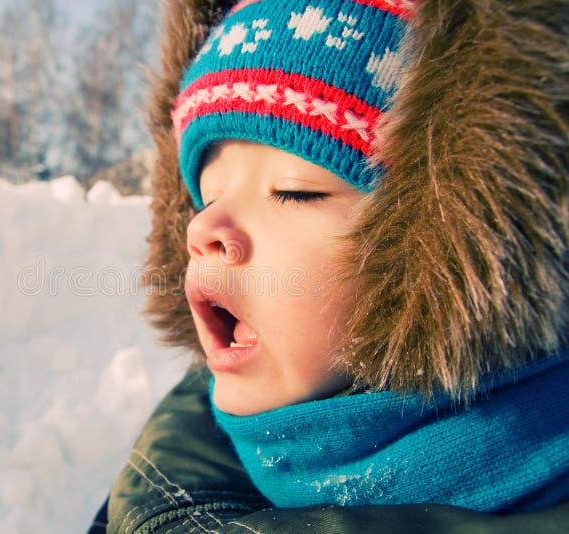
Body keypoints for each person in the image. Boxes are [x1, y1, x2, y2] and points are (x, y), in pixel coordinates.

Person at [94, 0, 569, 531]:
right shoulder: (157, 488)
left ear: (441, 253)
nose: (202, 230)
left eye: (295, 193)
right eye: (206, 197)